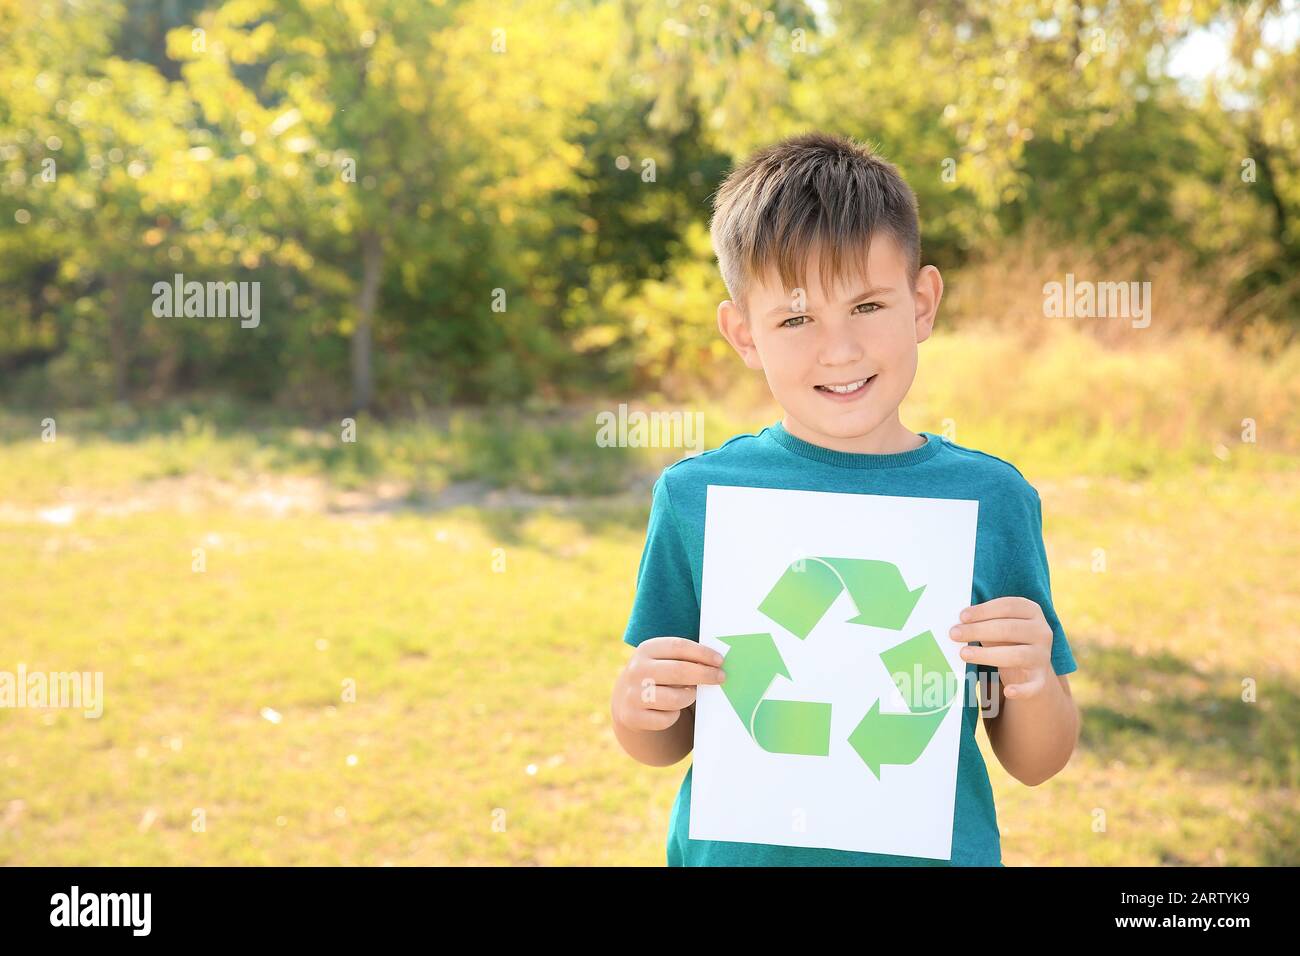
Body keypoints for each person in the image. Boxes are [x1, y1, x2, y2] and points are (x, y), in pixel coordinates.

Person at [609, 131, 1080, 866]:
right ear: (743, 334)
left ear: (922, 304)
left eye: (866, 306)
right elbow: (663, 742)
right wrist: (637, 703)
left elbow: (1035, 759)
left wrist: (1032, 679)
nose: (839, 349)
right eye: (796, 319)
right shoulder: (697, 498)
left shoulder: (991, 501)